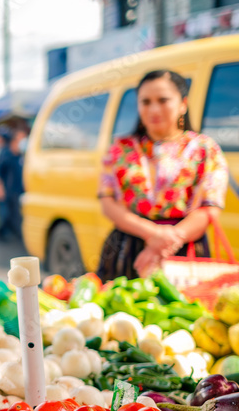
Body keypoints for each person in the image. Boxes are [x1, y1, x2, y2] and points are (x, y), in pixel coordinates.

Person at [97, 69, 228, 280]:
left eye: (163, 100)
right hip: (128, 247)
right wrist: (153, 234)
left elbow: (210, 207)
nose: (154, 109)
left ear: (183, 104)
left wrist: (164, 243)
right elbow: (107, 201)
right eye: (146, 102)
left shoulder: (206, 149)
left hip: (185, 251)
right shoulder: (120, 149)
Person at [0, 127, 26, 242]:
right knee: (5, 214)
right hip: (7, 190)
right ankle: (2, 233)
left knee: (16, 214)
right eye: (21, 138)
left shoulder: (20, 155)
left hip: (18, 190)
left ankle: (16, 234)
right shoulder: (5, 154)